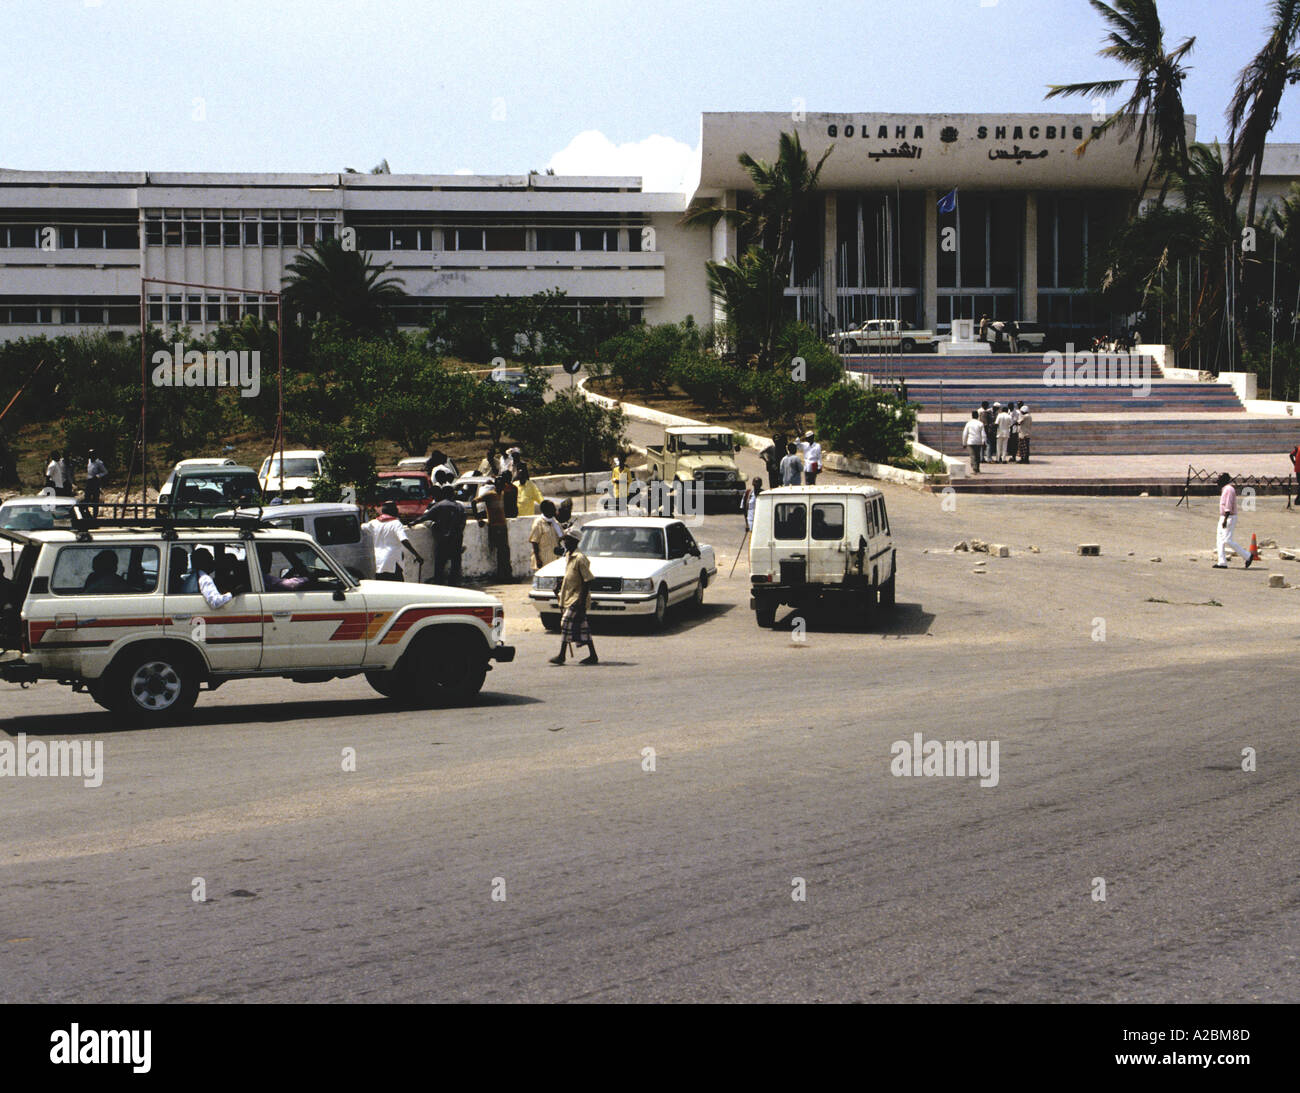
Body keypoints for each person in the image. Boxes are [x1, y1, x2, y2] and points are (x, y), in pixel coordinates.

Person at [550, 529, 597, 666]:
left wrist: (581, 601)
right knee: (583, 627)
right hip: (569, 596)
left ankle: (562, 655)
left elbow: (588, 580)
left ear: (575, 541)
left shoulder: (580, 558)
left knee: (565, 622)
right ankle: (593, 655)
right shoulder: (569, 556)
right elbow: (570, 575)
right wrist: (560, 584)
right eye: (565, 540)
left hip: (577, 598)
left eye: (568, 540)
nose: (566, 542)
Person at [363, 501, 424, 582]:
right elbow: (403, 540)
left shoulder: (373, 523)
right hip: (392, 562)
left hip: (377, 561)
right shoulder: (396, 523)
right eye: (395, 509)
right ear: (392, 511)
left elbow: (362, 527)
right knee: (398, 588)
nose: (397, 510)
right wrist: (416, 555)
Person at [474, 475, 513, 582]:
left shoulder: (502, 494)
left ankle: (506, 575)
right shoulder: (490, 494)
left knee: (505, 551)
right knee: (501, 551)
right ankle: (503, 576)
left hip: (503, 525)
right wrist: (477, 518)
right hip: (495, 526)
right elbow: (474, 501)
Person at [1213, 472, 1253, 569]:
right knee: (1220, 540)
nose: (1217, 482)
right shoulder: (1225, 489)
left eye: (1219, 479)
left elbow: (1228, 505)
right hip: (1224, 516)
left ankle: (1247, 555)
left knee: (1227, 540)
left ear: (1224, 480)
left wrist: (1225, 519)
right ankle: (1222, 562)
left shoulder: (1229, 490)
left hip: (1229, 516)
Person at [529, 499, 564, 570]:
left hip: (554, 559)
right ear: (546, 510)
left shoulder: (555, 523)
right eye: (552, 509)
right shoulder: (538, 523)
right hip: (543, 560)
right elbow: (534, 542)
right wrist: (538, 559)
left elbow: (560, 538)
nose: (555, 510)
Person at [85, 449, 108, 515]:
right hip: (89, 480)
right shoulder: (89, 461)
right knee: (87, 497)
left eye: (92, 455)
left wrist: (98, 476)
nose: (91, 456)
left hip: (95, 481)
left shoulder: (99, 462)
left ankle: (95, 514)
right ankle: (86, 512)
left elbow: (105, 472)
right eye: (90, 455)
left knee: (95, 498)